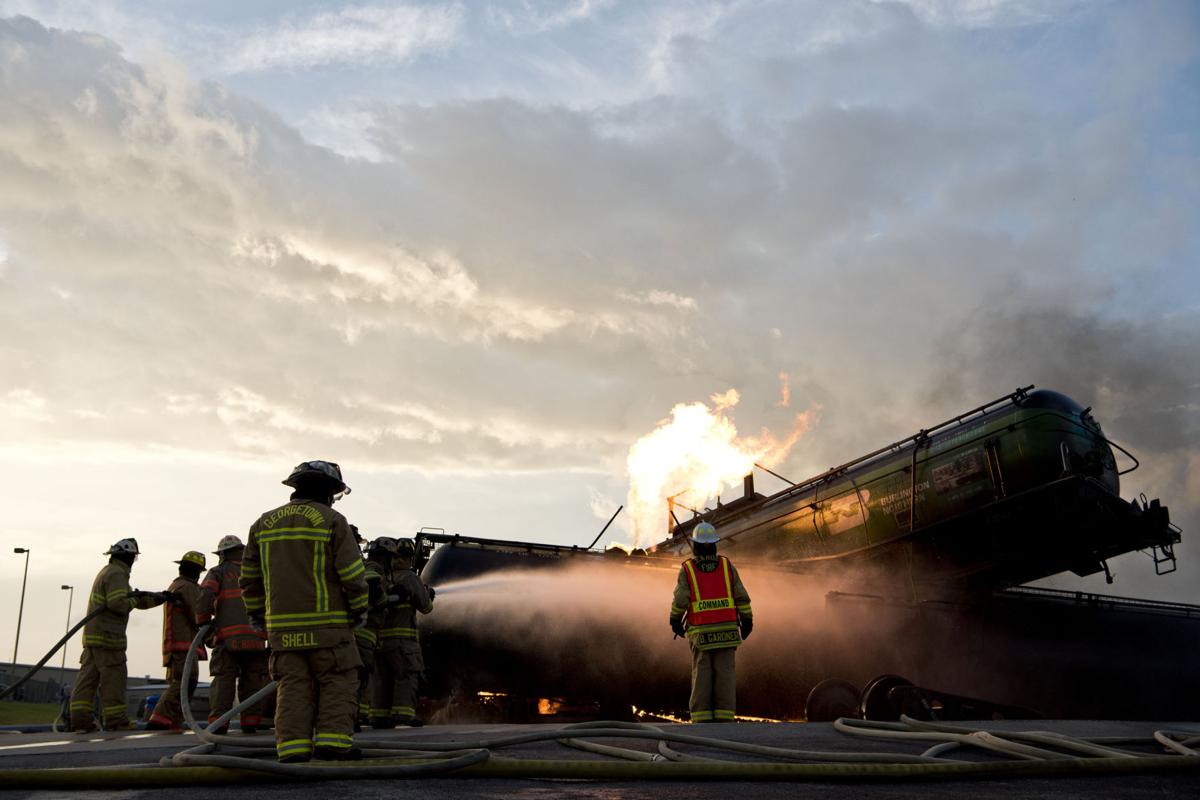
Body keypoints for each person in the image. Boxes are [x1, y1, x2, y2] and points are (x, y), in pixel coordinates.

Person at [241, 460, 369, 763]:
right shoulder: (332, 521)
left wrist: (258, 616)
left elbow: (249, 578)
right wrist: (360, 609)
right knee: (337, 680)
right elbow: (352, 574)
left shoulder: (262, 523)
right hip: (329, 628)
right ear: (329, 491)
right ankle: (333, 744)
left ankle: (293, 749)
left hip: (283, 632)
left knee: (293, 686)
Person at [69, 539, 168, 732]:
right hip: (109, 639)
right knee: (114, 680)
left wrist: (160, 598)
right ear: (128, 556)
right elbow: (119, 604)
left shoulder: (108, 572)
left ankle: (80, 722)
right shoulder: (117, 574)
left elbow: (131, 600)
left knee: (87, 682)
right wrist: (132, 600)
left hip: (94, 638)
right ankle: (116, 722)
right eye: (133, 557)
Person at [668, 522, 753, 723]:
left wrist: (674, 619)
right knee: (725, 676)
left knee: (702, 676)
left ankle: (702, 720)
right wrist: (747, 620)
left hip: (701, 635)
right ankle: (724, 718)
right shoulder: (726, 565)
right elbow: (741, 596)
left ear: (695, 546)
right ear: (715, 545)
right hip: (727, 633)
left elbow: (681, 599)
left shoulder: (688, 569)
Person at [198, 534, 269, 734]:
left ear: (222, 554)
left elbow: (204, 596)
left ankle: (219, 724)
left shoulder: (218, 572)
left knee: (224, 679)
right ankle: (250, 721)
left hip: (227, 638)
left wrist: (203, 622)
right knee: (253, 679)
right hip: (256, 638)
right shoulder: (259, 572)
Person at [373, 538, 434, 727]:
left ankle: (379, 716)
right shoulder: (410, 578)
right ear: (410, 558)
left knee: (382, 679)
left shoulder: (381, 577)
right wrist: (428, 594)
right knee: (406, 675)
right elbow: (426, 607)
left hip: (380, 640)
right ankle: (403, 714)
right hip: (403, 641)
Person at [146, 551, 208, 731]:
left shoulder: (175, 585)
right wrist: (213, 634)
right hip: (184, 645)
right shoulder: (188, 587)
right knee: (184, 683)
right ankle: (158, 721)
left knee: (183, 683)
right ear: (195, 571)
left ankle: (174, 721)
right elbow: (198, 615)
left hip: (177, 644)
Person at [356, 534, 393, 729]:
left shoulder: (367, 566)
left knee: (358, 676)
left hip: (363, 632)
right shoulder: (374, 567)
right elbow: (370, 582)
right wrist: (382, 600)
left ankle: (354, 716)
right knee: (358, 676)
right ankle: (350, 717)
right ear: (385, 556)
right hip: (364, 632)